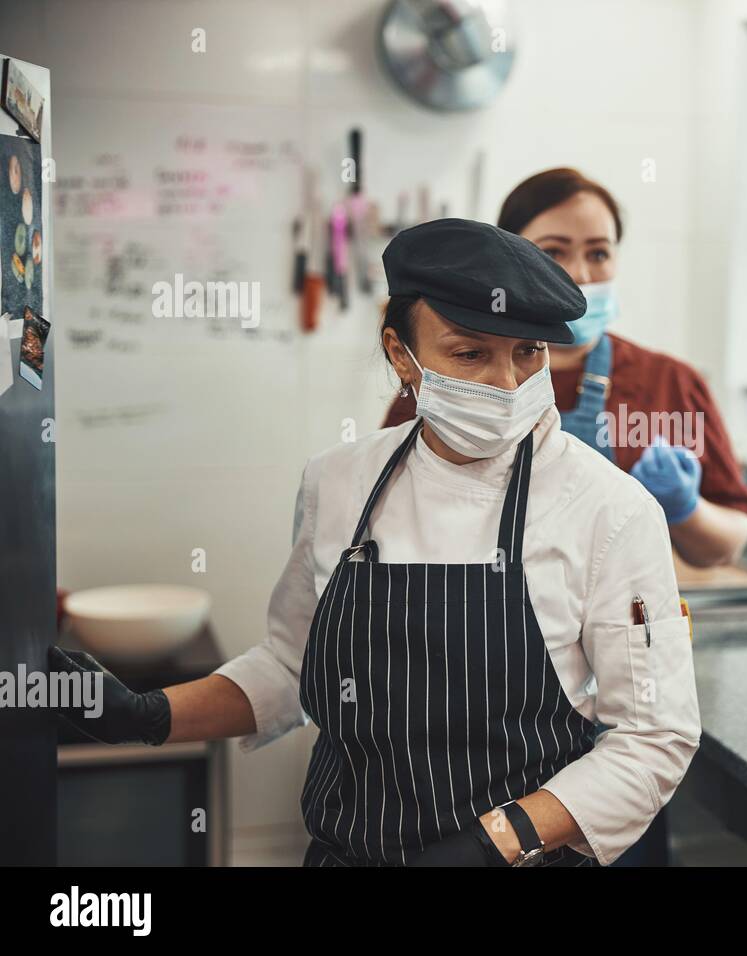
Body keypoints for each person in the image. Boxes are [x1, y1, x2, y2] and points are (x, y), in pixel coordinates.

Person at [50, 219, 701, 868]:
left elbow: (653, 737)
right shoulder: (339, 481)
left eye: (528, 353)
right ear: (400, 354)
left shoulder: (609, 511)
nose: (508, 384)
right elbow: (291, 666)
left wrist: (490, 845)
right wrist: (146, 716)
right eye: (470, 353)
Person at [384, 168, 747, 569]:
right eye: (554, 252)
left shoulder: (671, 384)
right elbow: (394, 515)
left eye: (598, 253)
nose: (579, 274)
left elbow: (728, 544)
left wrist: (686, 508)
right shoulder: (447, 384)